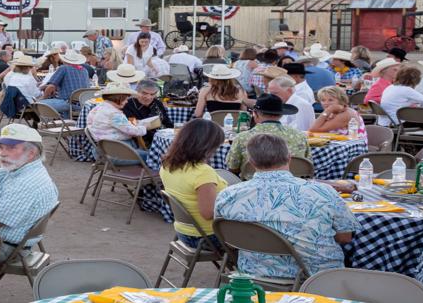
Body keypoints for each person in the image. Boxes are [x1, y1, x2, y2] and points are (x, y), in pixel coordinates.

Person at [215, 133, 354, 280]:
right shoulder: (324, 191)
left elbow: (228, 239)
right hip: (316, 277)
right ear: (289, 157)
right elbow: (345, 237)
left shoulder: (228, 195)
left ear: (251, 162)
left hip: (255, 275)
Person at [0, 124, 58, 263]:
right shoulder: (19, 167)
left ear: (31, 153)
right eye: (1, 147)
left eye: (11, 148)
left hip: (3, 247)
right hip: (3, 240)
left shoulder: (27, 182)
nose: (2, 153)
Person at [160, 118, 227, 250]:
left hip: (184, 231)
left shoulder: (167, 164)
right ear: (208, 146)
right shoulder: (203, 173)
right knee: (255, 235)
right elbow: (208, 213)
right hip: (206, 237)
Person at [225, 93, 309, 173]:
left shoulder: (242, 137)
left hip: (252, 184)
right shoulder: (300, 136)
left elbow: (232, 168)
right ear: (281, 115)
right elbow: (307, 165)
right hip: (294, 183)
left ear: (255, 114)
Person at [86, 82, 150, 155]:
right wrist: (144, 127)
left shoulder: (99, 107)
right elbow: (132, 131)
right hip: (116, 152)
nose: (126, 102)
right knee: (152, 156)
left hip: (102, 148)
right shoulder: (114, 114)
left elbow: (89, 122)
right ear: (119, 98)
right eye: (125, 99)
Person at [37, 50, 92, 118]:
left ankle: (44, 125)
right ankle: (66, 122)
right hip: (83, 103)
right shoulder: (84, 70)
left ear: (65, 60)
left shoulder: (63, 68)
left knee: (39, 104)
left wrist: (43, 98)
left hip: (67, 103)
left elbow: (51, 87)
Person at [122, 80, 172, 147]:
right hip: (146, 143)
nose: (148, 97)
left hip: (165, 138)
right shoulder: (128, 105)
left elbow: (167, 122)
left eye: (152, 94)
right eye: (144, 93)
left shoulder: (157, 103)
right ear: (137, 91)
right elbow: (134, 127)